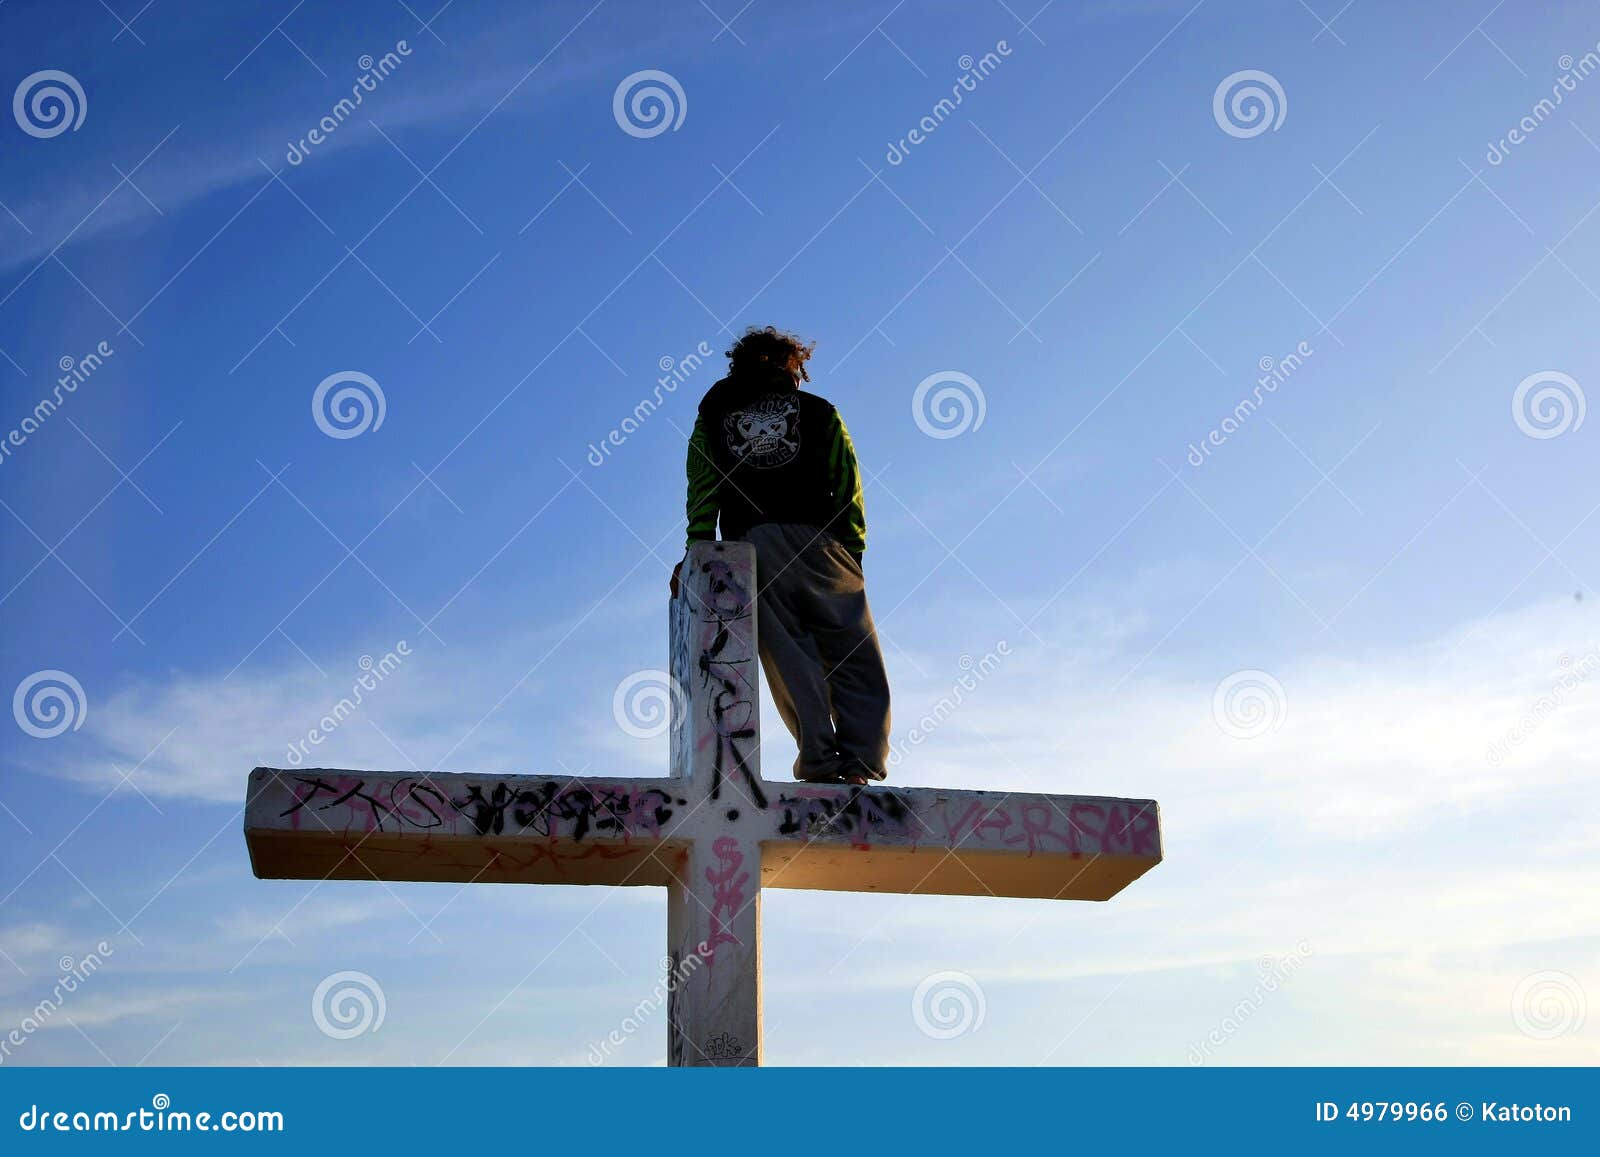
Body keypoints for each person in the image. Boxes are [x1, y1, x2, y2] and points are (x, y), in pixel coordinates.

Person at [672, 326, 891, 785]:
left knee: (791, 657)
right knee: (853, 654)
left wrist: (699, 548)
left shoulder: (714, 412)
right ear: (795, 369)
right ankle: (861, 763)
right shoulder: (819, 411)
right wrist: (852, 554)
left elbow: (703, 481)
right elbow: (847, 483)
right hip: (823, 542)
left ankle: (819, 759)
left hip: (754, 545)